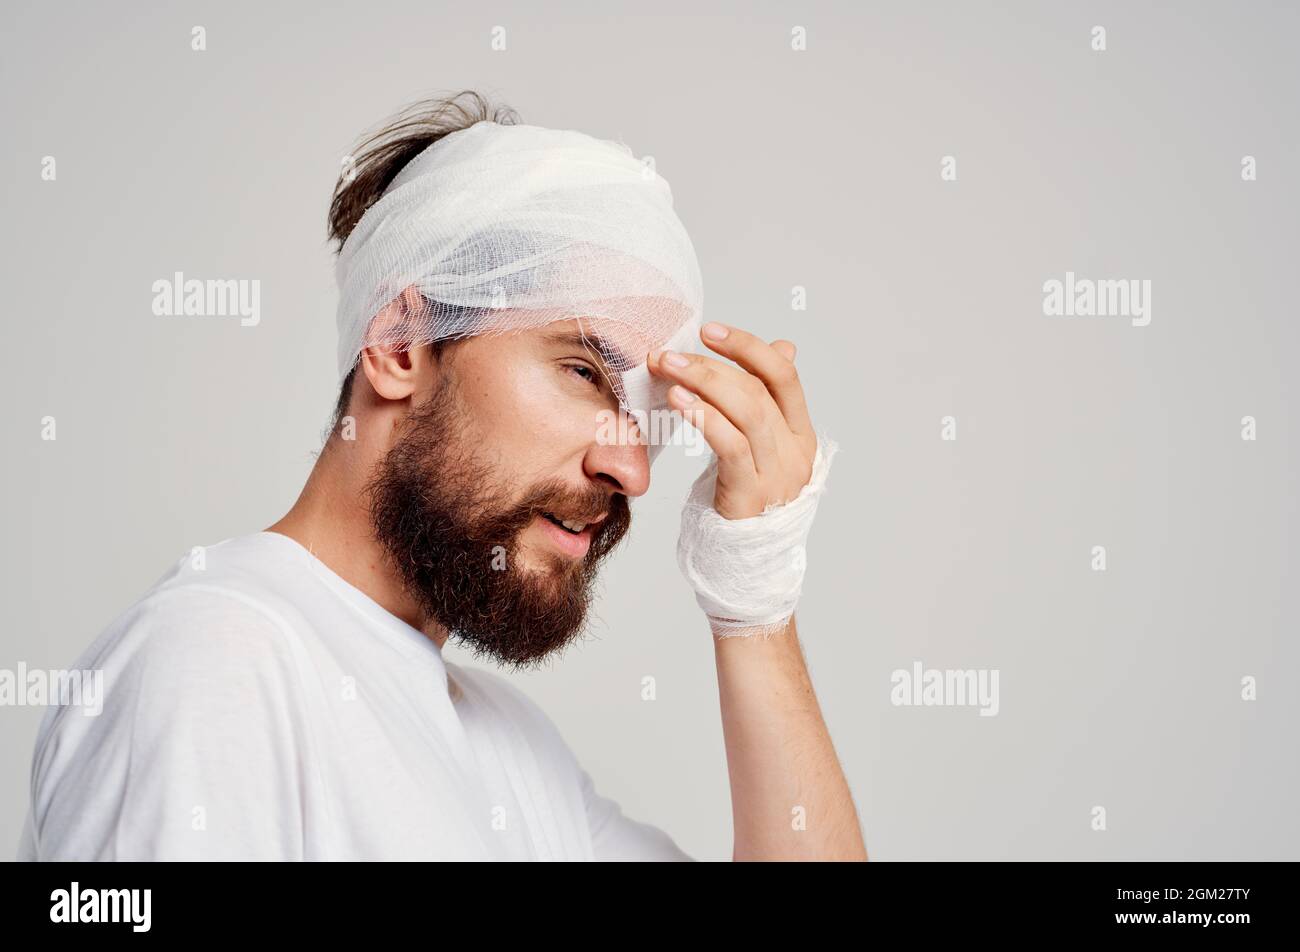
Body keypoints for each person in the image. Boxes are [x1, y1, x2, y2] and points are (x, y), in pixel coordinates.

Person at [18, 91, 867, 861]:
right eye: (583, 371)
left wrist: (754, 597)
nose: (632, 468)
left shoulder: (512, 749)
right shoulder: (214, 665)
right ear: (400, 345)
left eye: (652, 420)